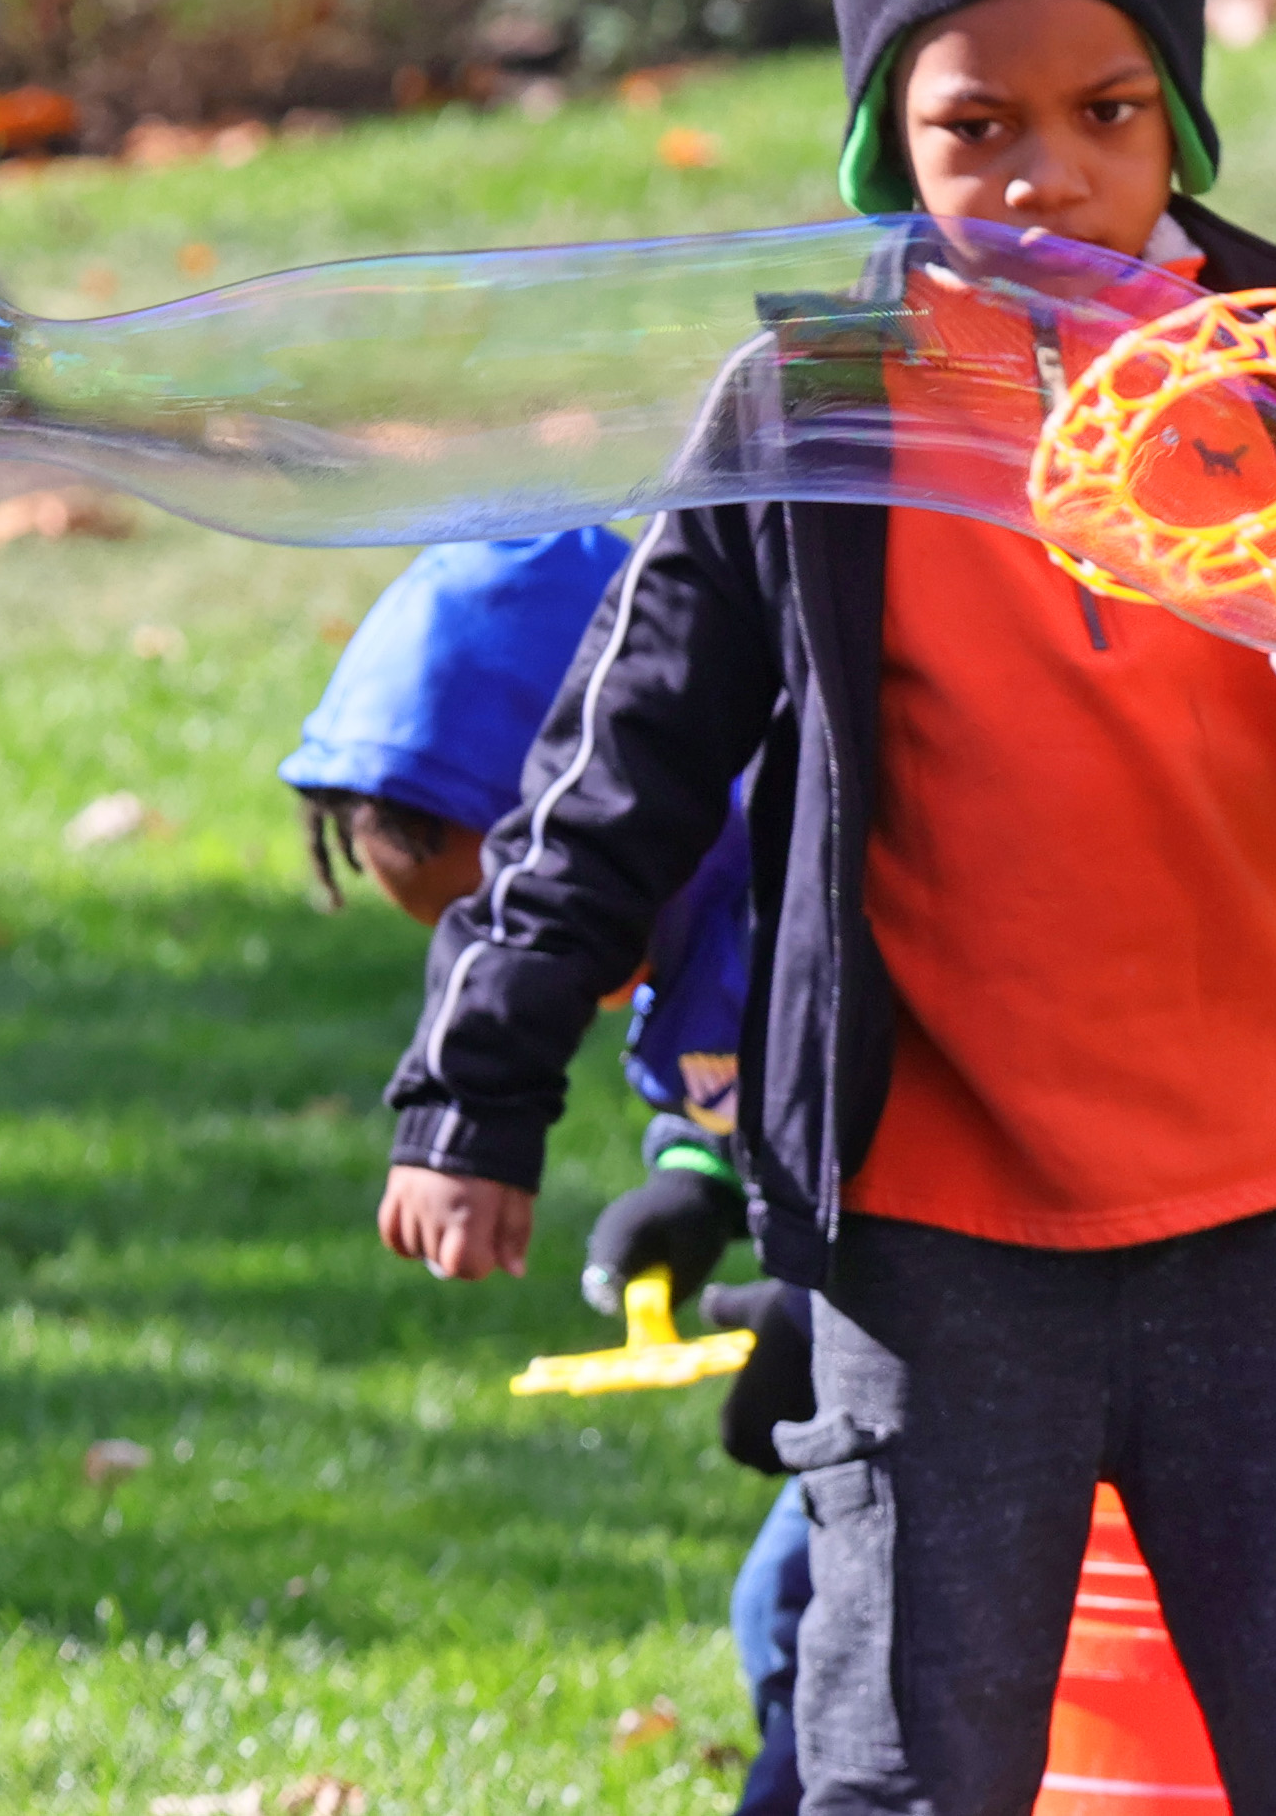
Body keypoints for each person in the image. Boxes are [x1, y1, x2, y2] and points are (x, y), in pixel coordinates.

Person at [368, 0, 1276, 1816]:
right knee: (900, 1769)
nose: (1048, 174)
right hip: (936, 1237)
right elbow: (610, 775)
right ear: (881, 139)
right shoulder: (812, 414)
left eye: (1106, 109)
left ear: (1177, 107)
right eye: (971, 125)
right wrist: (475, 1088)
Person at [282, 534, 810, 1813]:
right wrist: (692, 1180)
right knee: (787, 1607)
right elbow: (721, 1096)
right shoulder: (686, 910)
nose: (572, 985)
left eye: (525, 917)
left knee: (816, 1618)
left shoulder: (795, 893)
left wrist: (822, 1316)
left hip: (1023, 1323)